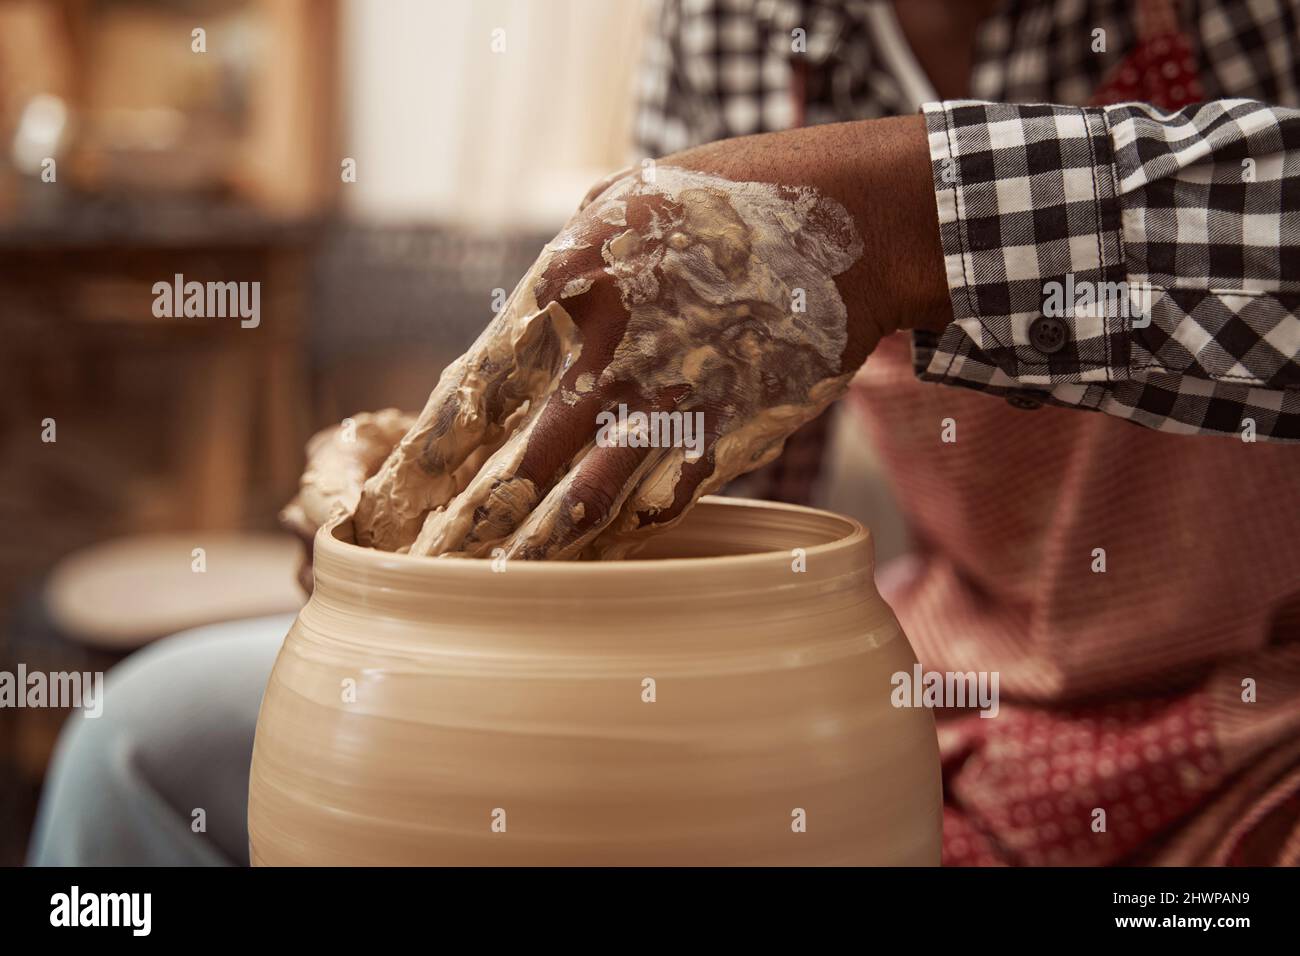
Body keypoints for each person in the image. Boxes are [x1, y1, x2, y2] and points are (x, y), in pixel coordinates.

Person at [30, 0, 1300, 865]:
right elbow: (696, 465)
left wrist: (905, 224)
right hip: (966, 677)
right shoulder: (736, 19)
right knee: (147, 734)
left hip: (1267, 714)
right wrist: (423, 529)